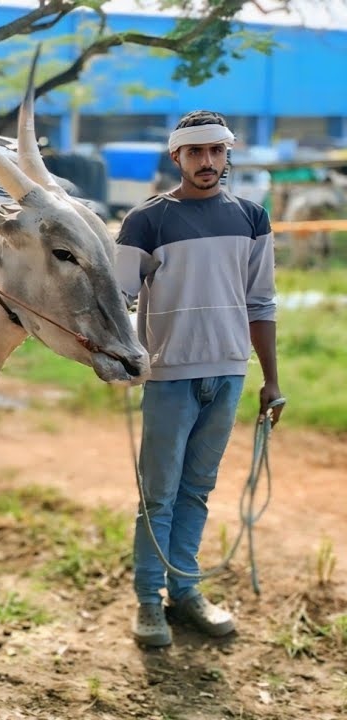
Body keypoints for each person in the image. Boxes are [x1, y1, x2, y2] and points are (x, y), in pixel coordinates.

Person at [116, 109, 281, 648]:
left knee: (197, 491)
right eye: (195, 153)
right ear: (177, 158)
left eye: (216, 151)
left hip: (230, 372)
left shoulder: (252, 217)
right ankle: (148, 604)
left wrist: (270, 381)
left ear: (227, 153)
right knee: (158, 496)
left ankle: (185, 593)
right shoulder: (146, 221)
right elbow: (117, 299)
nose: (207, 162)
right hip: (167, 373)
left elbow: (261, 302)